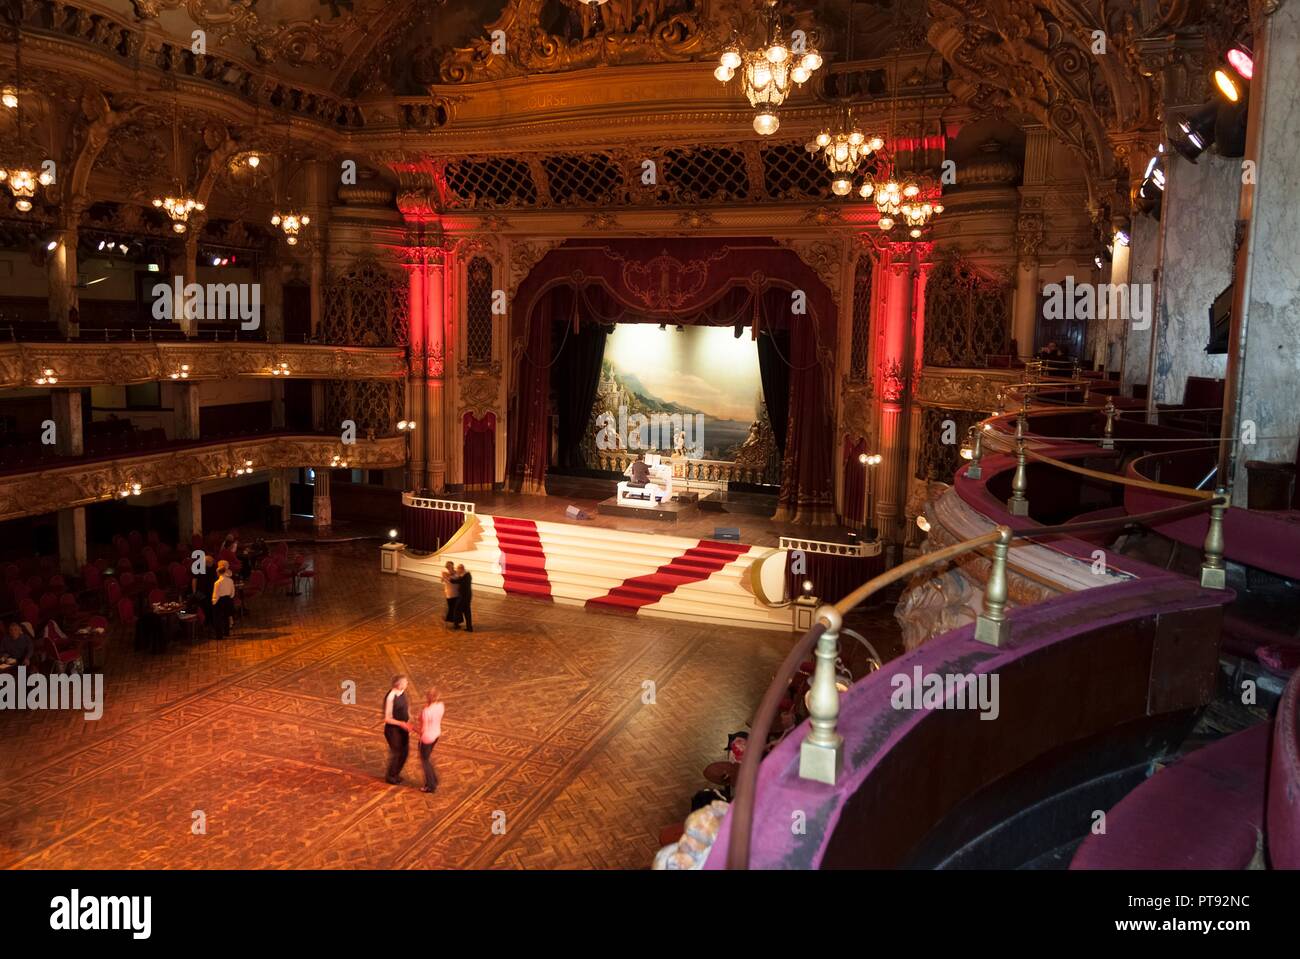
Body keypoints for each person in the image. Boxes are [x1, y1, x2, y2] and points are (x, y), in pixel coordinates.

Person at [383, 675, 412, 785]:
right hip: (393, 730)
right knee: (397, 753)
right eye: (405, 682)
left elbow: (406, 708)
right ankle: (390, 776)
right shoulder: (390, 697)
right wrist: (402, 724)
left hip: (403, 728)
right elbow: (387, 718)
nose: (407, 683)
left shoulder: (402, 692)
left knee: (405, 752)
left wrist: (409, 720)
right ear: (398, 684)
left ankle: (396, 774)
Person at [417, 687, 445, 794]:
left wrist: (411, 727)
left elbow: (422, 730)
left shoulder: (426, 711)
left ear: (428, 697)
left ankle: (430, 785)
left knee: (425, 761)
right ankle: (434, 780)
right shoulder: (441, 706)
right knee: (427, 759)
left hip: (426, 738)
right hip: (436, 734)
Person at [212, 560, 236, 638]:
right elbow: (233, 592)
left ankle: (219, 635)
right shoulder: (230, 580)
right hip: (228, 600)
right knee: (226, 617)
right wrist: (230, 598)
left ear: (218, 573)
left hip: (220, 600)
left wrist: (214, 602)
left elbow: (216, 594)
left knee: (218, 618)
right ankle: (226, 632)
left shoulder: (217, 583)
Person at [452, 563, 473, 632]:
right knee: (467, 612)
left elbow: (457, 581)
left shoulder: (465, 576)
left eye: (458, 569)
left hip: (464, 597)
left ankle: (456, 625)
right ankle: (469, 627)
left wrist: (448, 578)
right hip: (467, 596)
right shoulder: (466, 575)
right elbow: (458, 578)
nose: (457, 570)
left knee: (457, 610)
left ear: (461, 569)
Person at [441, 560, 459, 627]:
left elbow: (458, 579)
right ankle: (450, 622)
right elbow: (442, 580)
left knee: (456, 609)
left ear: (452, 565)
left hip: (457, 593)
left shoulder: (457, 572)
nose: (448, 567)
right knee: (451, 608)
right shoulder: (444, 573)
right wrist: (446, 576)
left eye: (449, 565)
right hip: (449, 593)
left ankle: (455, 623)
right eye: (447, 565)